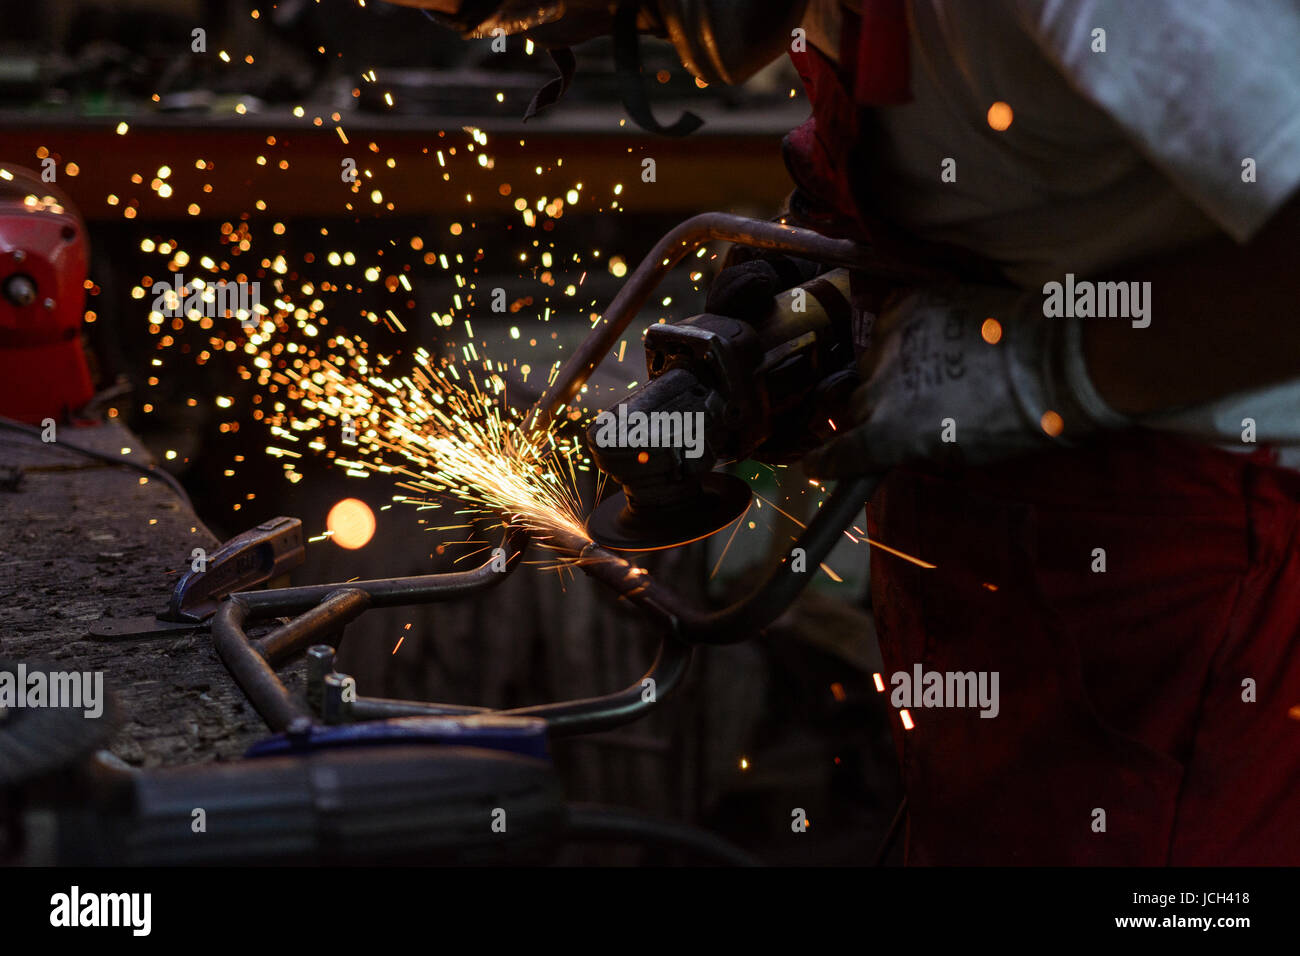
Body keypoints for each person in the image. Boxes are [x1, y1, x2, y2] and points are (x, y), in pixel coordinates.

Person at [388, 0, 1300, 864]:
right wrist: (832, 304)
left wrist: (1043, 369)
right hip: (1024, 568)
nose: (620, 24)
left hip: (1198, 572)